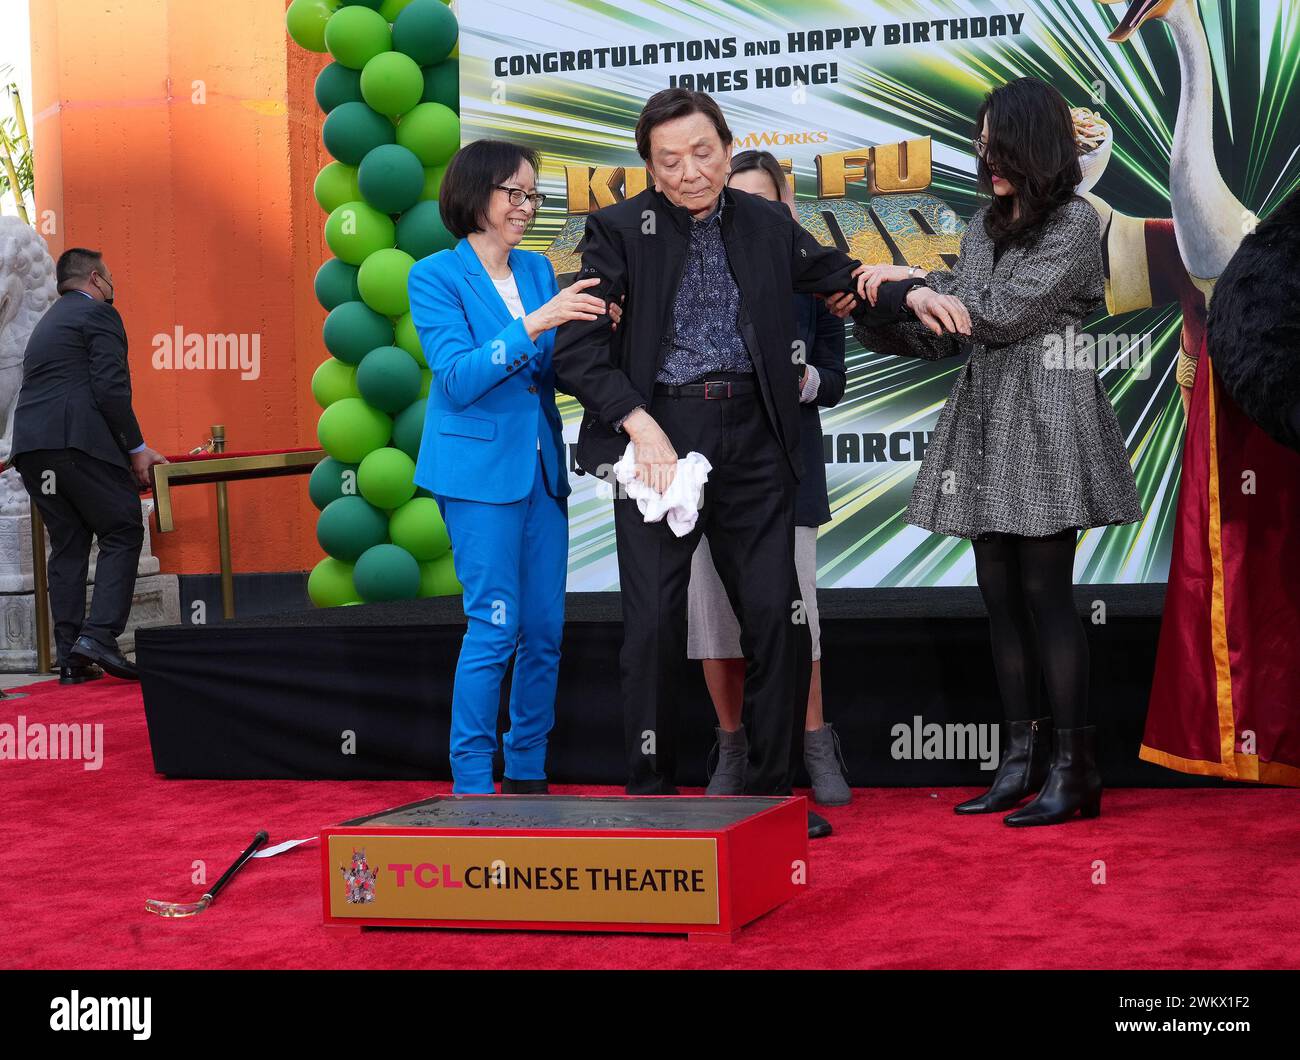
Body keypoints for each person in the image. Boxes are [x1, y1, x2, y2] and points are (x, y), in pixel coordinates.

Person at [553, 88, 876, 838]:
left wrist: (908, 288)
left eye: (703, 153)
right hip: (659, 434)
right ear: (649, 168)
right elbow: (575, 350)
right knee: (654, 625)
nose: (690, 172)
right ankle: (653, 796)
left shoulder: (768, 223)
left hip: (758, 436)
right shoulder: (614, 231)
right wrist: (640, 426)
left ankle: (763, 799)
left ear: (729, 149)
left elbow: (843, 279)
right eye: (670, 161)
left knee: (777, 616)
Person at [850, 77, 1143, 826]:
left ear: (1035, 145)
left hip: (1048, 413)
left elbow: (1006, 313)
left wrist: (914, 281)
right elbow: (949, 322)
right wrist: (882, 308)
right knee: (1000, 600)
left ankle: (1077, 771)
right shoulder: (983, 225)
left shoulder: (1076, 222)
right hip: (986, 416)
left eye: (998, 145)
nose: (987, 160)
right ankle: (1019, 761)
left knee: (1046, 596)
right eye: (982, 147)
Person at [408, 139, 603, 795]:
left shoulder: (539, 271)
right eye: (513, 192)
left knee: (545, 631)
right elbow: (459, 377)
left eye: (532, 194)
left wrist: (591, 329)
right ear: (474, 194)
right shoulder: (434, 276)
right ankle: (470, 779)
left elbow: (545, 374)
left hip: (542, 468)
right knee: (495, 624)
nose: (526, 206)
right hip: (476, 475)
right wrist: (537, 324)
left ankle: (527, 770)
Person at [687, 150, 851, 807]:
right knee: (715, 621)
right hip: (704, 476)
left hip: (789, 471)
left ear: (785, 210)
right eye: (737, 202)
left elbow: (835, 375)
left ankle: (815, 743)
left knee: (796, 618)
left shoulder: (813, 279)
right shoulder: (691, 275)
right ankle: (732, 746)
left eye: (762, 203)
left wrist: (807, 381)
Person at [9, 248, 168, 683]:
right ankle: (98, 637)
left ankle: (71, 657)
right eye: (111, 277)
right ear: (96, 279)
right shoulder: (98, 314)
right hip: (76, 445)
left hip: (33, 451)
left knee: (70, 543)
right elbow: (110, 389)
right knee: (121, 528)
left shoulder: (48, 323)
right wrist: (136, 449)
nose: (113, 285)